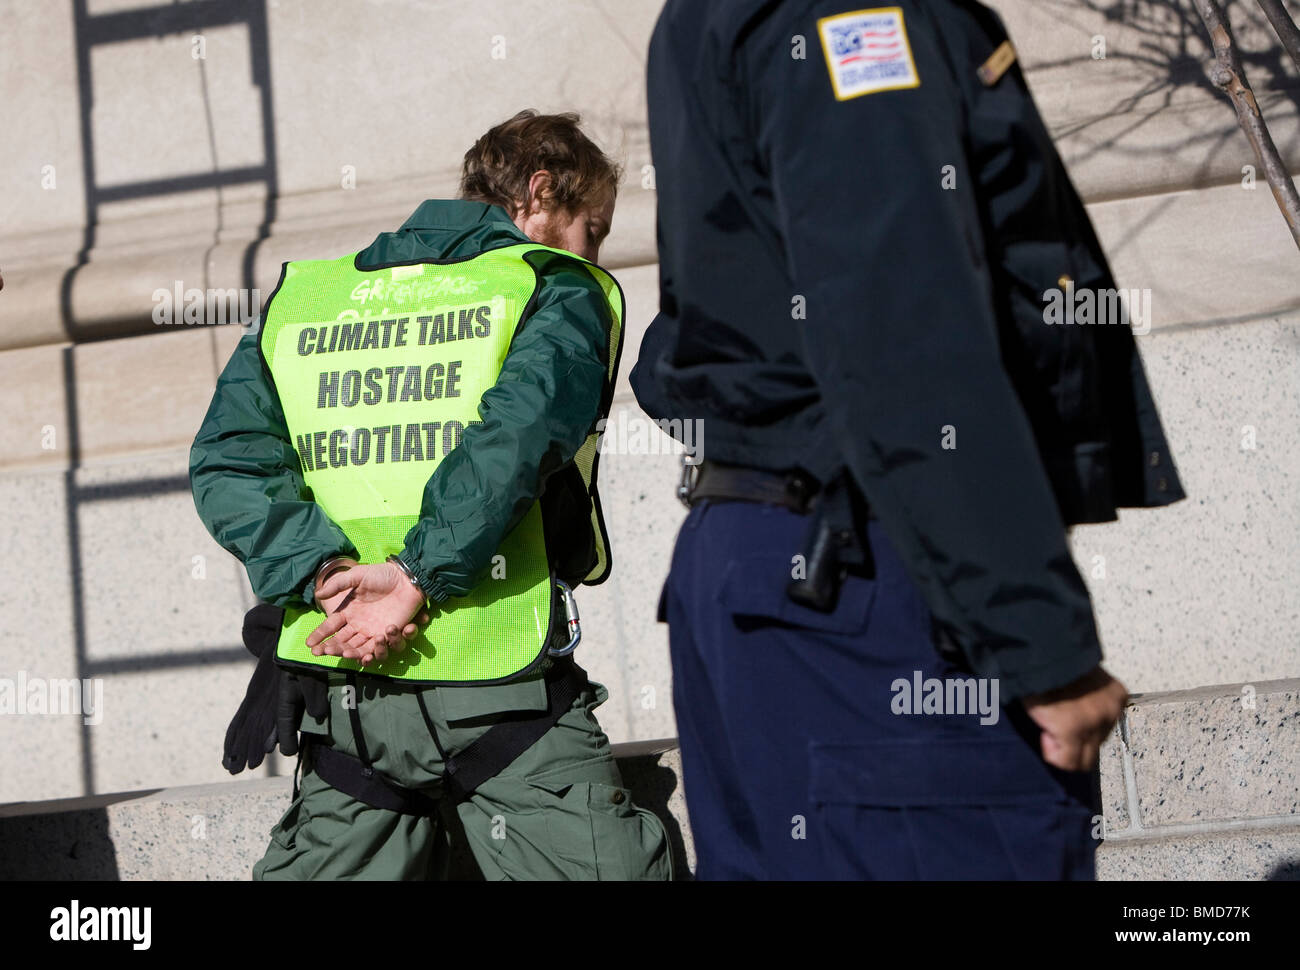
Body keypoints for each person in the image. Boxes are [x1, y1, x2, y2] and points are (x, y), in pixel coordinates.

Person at [632, 0, 1184, 879]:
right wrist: (1043, 651)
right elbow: (905, 339)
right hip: (869, 577)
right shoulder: (848, 15)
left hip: (777, 561)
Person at [191, 110, 672, 881]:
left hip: (347, 694)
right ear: (541, 192)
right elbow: (513, 440)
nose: (595, 249)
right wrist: (417, 579)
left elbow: (230, 460)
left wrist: (319, 580)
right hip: (499, 692)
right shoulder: (548, 287)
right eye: (595, 225)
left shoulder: (307, 298)